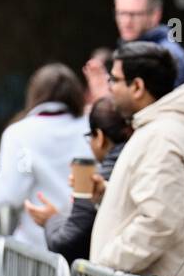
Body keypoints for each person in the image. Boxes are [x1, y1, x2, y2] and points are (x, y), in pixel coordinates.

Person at [89, 42, 184, 276]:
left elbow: (160, 222)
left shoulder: (162, 137)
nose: (109, 89)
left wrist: (105, 264)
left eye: (115, 80)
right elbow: (159, 209)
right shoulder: (161, 131)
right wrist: (109, 196)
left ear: (137, 87)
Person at [0, 63, 89, 249]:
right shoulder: (89, 127)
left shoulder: (19, 132)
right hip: (84, 242)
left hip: (36, 245)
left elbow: (9, 193)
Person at [23, 96, 131, 264]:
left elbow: (67, 242)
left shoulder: (99, 178)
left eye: (90, 137)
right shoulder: (139, 157)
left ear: (100, 137)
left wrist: (51, 219)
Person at [85, 0, 184, 98]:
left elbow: (165, 113)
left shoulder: (169, 57)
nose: (126, 21)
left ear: (155, 15)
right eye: (121, 13)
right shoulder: (129, 49)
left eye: (134, 14)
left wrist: (107, 101)